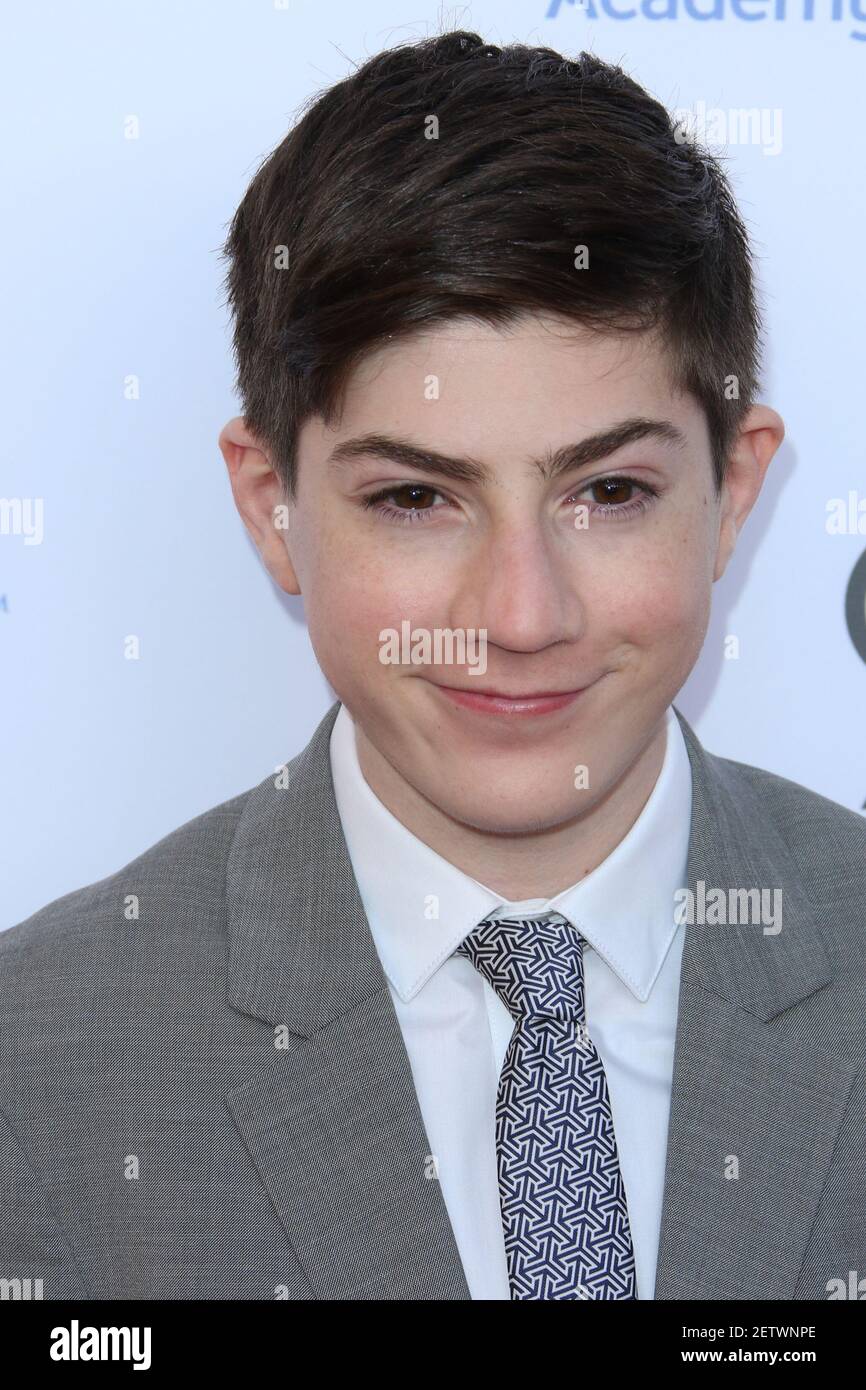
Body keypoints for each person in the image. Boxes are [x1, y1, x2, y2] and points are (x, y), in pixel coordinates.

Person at [2, 31, 864, 1302]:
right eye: (415, 498)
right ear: (271, 506)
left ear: (731, 494)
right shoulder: (37, 1062)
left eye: (609, 490)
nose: (518, 615)